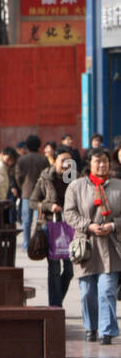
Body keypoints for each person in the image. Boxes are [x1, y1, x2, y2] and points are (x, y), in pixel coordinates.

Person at [63, 149, 121, 345]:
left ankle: (107, 331)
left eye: (105, 162)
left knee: (107, 290)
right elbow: (69, 214)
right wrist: (88, 225)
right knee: (87, 292)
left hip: (111, 247)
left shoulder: (117, 186)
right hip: (85, 247)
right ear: (90, 164)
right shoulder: (76, 186)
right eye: (98, 162)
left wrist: (113, 225)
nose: (102, 165)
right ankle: (91, 327)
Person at [29, 150, 77, 308]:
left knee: (69, 270)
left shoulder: (74, 179)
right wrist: (51, 206)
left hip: (70, 227)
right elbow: (33, 201)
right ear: (55, 161)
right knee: (55, 269)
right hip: (51, 227)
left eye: (69, 161)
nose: (66, 164)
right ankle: (55, 306)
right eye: (63, 160)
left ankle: (56, 302)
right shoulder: (45, 178)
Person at [15, 134, 50, 251]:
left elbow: (18, 177)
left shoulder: (21, 159)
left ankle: (26, 244)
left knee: (26, 221)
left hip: (26, 193)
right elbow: (48, 176)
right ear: (39, 146)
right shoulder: (44, 159)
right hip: (41, 195)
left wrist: (22, 187)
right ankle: (39, 243)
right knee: (40, 221)